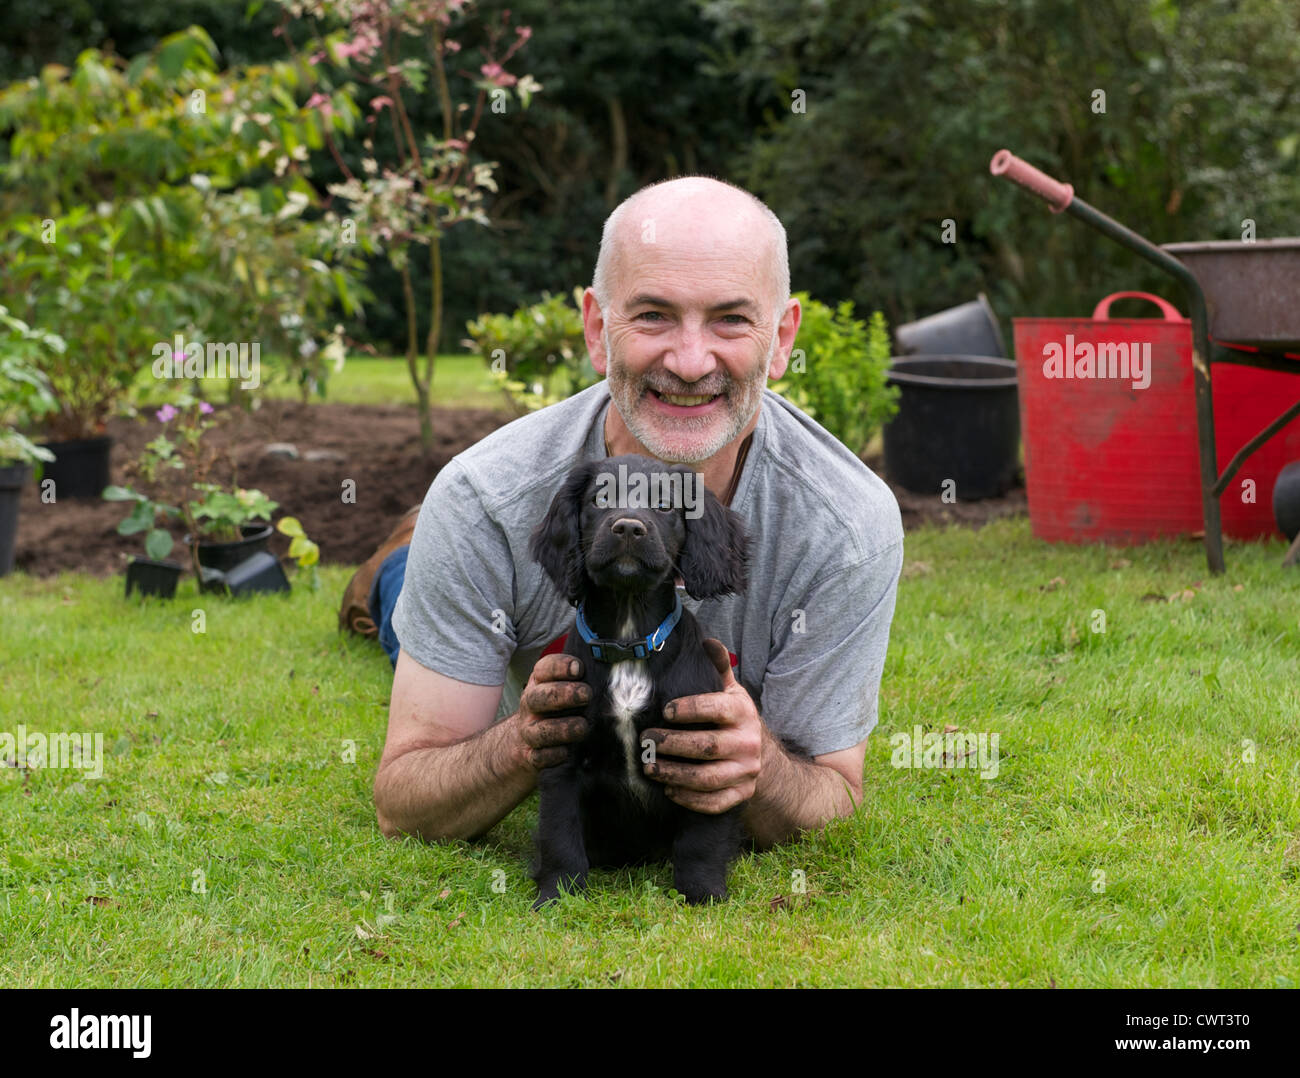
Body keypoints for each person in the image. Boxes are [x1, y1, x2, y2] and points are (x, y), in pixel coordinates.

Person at [343, 175, 904, 851]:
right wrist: (527, 741)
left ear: (782, 338)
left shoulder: (847, 525)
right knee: (403, 592)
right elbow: (405, 804)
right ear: (596, 330)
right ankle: (396, 561)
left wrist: (762, 768)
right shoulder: (482, 501)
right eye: (653, 316)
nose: (691, 362)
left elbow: (833, 793)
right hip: (463, 551)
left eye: (730, 318)